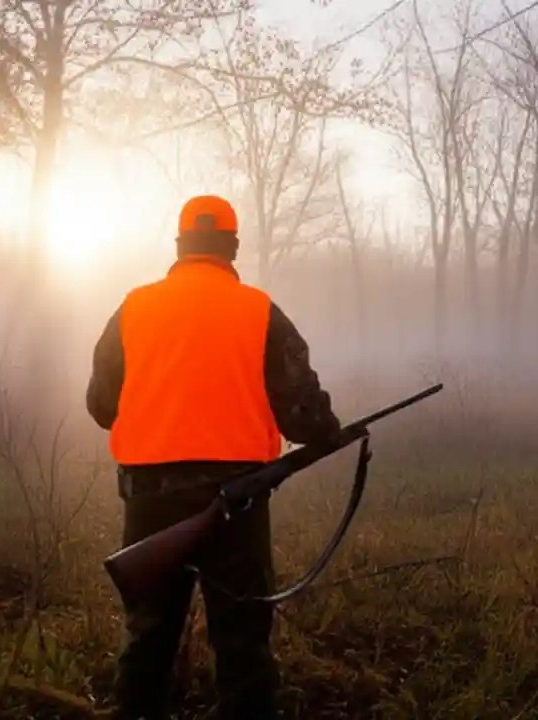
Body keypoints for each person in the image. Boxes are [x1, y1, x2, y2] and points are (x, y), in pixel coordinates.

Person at [86, 195, 341, 720]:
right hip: (235, 504)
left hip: (149, 501)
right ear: (232, 247)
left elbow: (100, 406)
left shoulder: (132, 308)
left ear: (180, 247)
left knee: (148, 638)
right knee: (243, 643)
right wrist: (327, 433)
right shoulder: (260, 311)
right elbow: (302, 414)